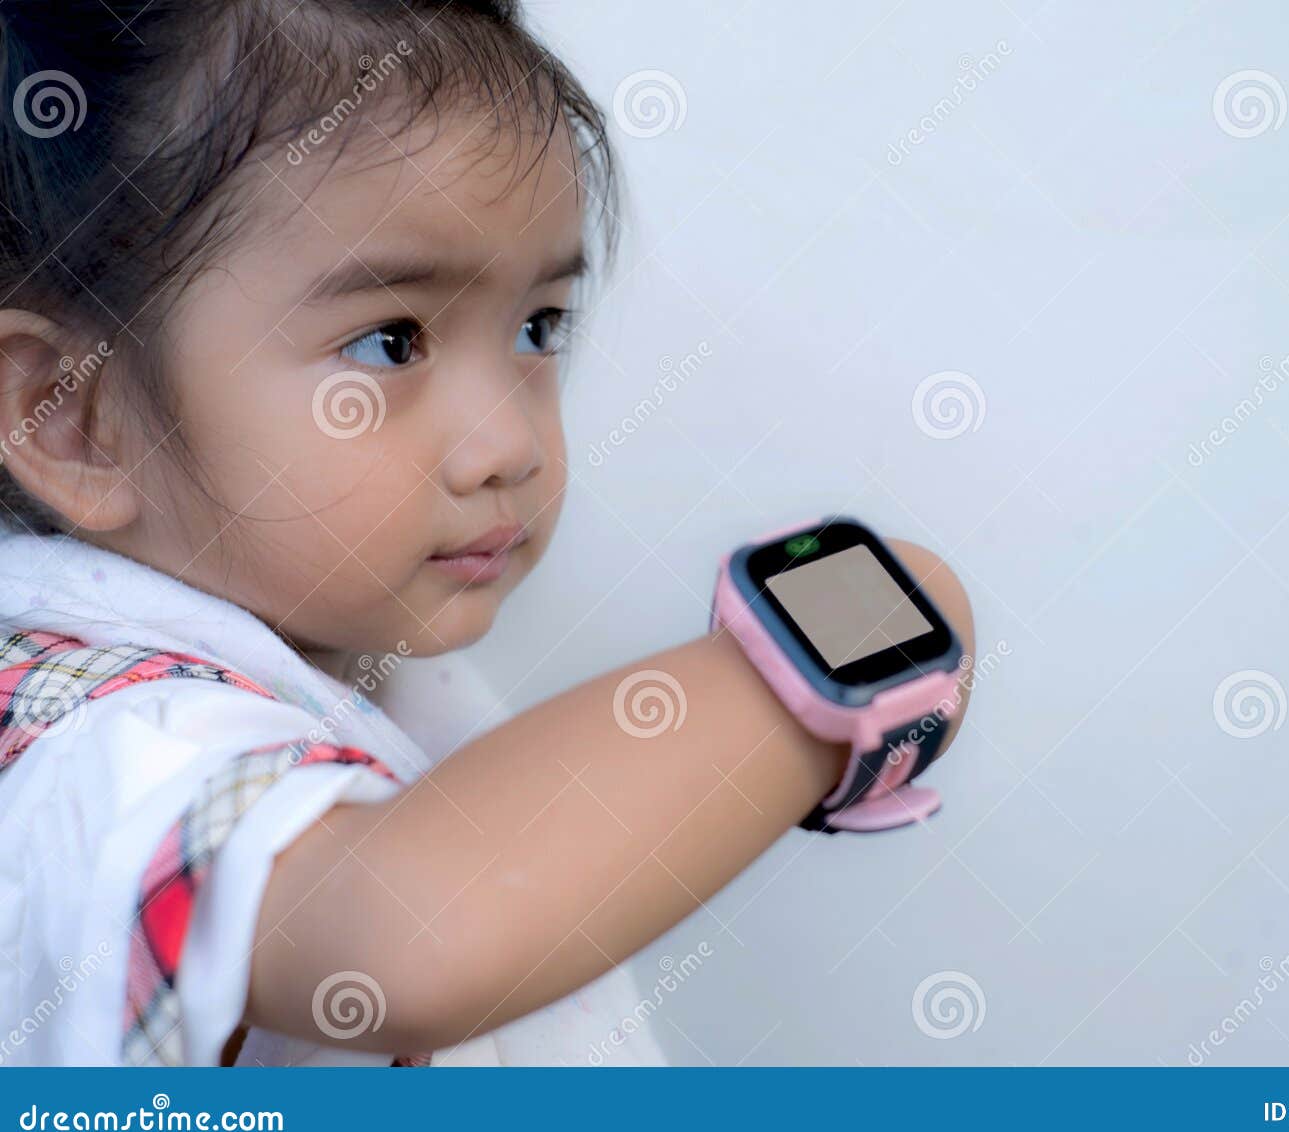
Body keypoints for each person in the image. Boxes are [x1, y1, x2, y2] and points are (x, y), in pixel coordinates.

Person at [0, 0, 975, 1067]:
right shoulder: (82, 738)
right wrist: (830, 660)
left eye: (537, 328)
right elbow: (404, 943)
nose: (509, 442)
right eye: (389, 340)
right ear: (75, 417)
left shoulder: (354, 659)